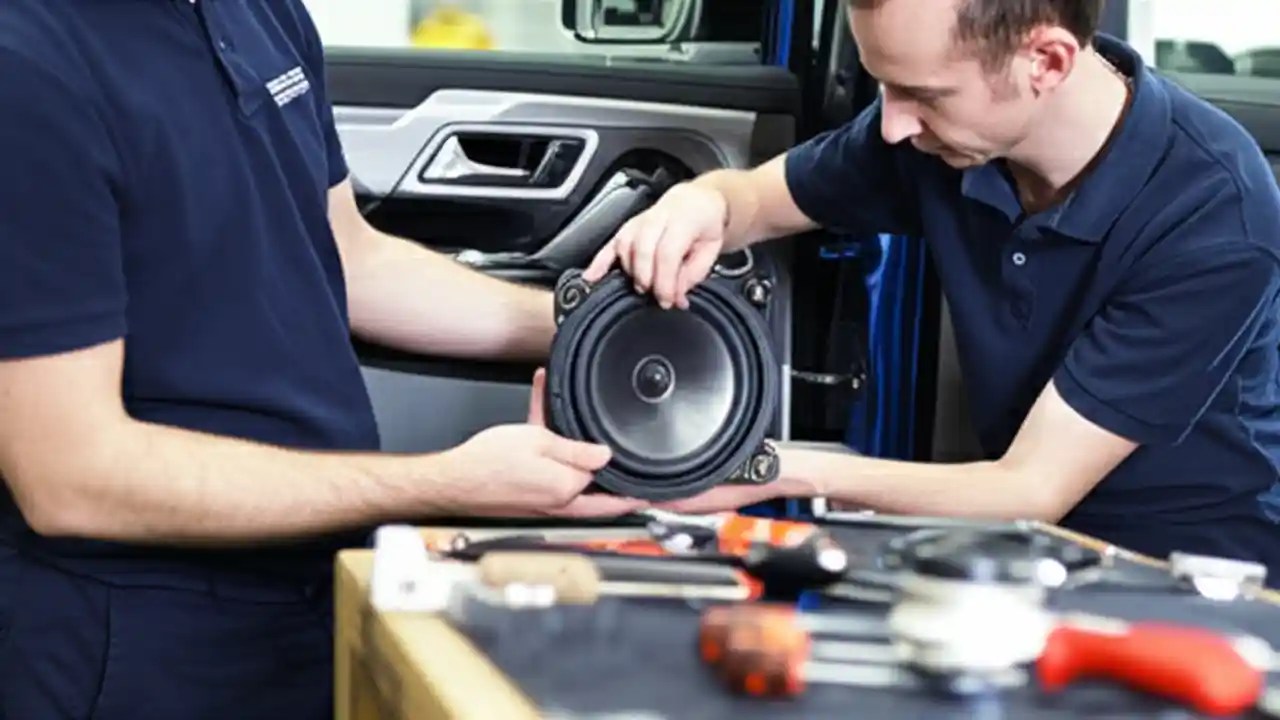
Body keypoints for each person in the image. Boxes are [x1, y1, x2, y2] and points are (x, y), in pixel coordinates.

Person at [0, 1, 644, 718]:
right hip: (134, 632)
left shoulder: (259, 11)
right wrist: (445, 483)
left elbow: (348, 257)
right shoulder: (27, 64)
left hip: (315, 586)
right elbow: (71, 478)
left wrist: (599, 331)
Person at [585, 0, 1280, 580]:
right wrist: (702, 202)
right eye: (886, 85)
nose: (891, 123)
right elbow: (755, 200)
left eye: (922, 94)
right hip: (1016, 545)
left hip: (1186, 575)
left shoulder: (1214, 214)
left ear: (1047, 62)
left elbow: (1029, 487)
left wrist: (764, 467)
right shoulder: (933, 136)